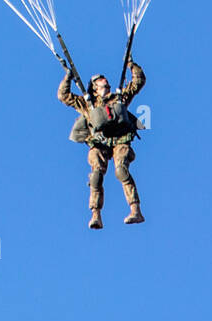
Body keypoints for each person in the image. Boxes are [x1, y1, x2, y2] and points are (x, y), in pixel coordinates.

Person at [58, 62, 146, 229]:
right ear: (95, 87)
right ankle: (96, 214)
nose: (104, 80)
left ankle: (136, 210)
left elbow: (139, 81)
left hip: (120, 141)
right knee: (96, 176)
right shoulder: (87, 104)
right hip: (99, 144)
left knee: (121, 170)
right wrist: (68, 77)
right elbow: (63, 96)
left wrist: (131, 64)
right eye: (100, 79)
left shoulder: (119, 98)